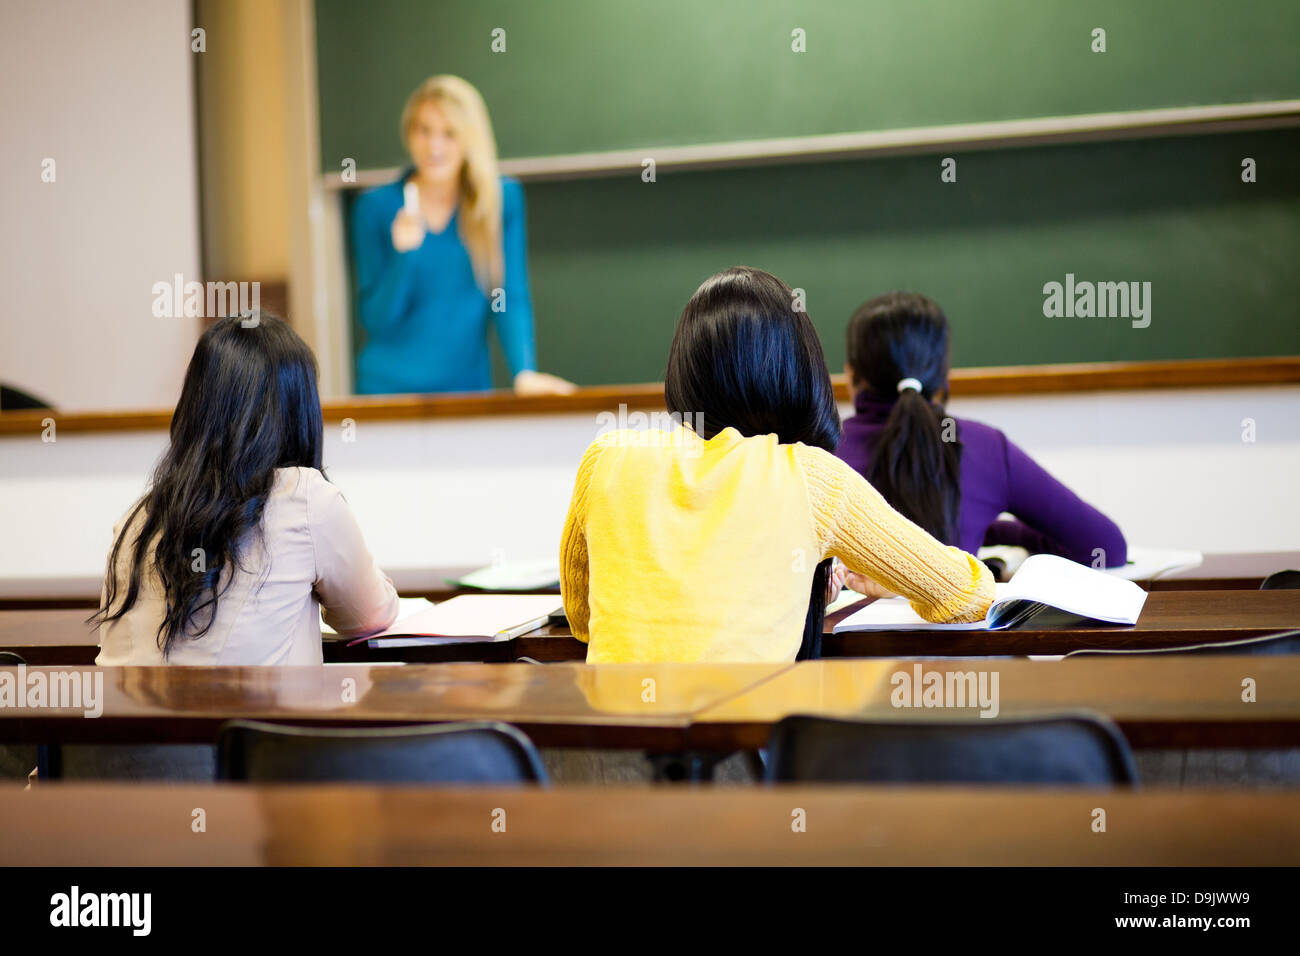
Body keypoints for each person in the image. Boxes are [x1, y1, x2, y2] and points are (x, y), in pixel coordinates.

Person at [559, 267, 994, 664]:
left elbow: (582, 620)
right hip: (738, 746)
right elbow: (963, 595)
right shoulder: (813, 478)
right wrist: (898, 579)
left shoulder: (606, 458)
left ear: (682, 369)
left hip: (599, 744)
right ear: (797, 371)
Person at [94, 312, 398, 665]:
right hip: (244, 720)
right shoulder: (304, 497)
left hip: (124, 720)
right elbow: (370, 615)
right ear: (298, 411)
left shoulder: (137, 519)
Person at [837, 291, 1127, 586]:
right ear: (942, 377)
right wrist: (990, 529)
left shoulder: (819, 451)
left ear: (851, 374)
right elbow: (1105, 548)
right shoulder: (986, 449)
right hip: (961, 631)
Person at [351, 75, 574, 396]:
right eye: (423, 130)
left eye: (449, 134)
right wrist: (404, 256)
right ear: (408, 134)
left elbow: (509, 296)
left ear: (470, 139)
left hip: (466, 393)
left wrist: (524, 371)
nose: (434, 146)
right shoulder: (374, 207)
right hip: (387, 392)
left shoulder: (501, 200)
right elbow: (376, 320)